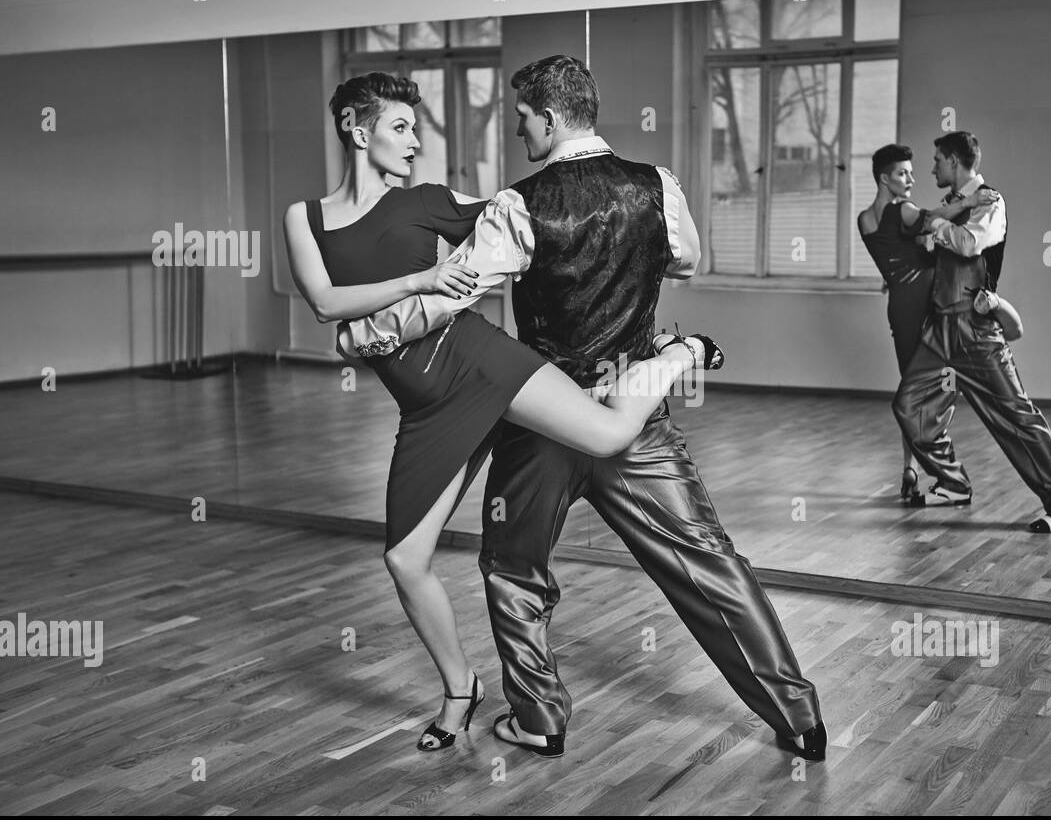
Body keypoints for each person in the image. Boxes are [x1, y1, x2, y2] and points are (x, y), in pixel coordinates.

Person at [351, 55, 827, 761]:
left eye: (521, 119)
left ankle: (539, 719)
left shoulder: (518, 205)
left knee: (514, 571)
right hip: (634, 413)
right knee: (709, 561)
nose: (518, 131)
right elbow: (688, 260)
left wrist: (369, 329)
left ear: (548, 117)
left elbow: (454, 295)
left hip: (543, 415)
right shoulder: (654, 186)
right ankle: (799, 718)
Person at [283, 72, 723, 754]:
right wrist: (420, 279)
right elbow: (323, 302)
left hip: (483, 365)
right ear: (354, 126)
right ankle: (462, 687)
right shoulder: (304, 218)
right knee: (405, 559)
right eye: (400, 126)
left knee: (607, 432)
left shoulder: (431, 201)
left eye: (414, 127)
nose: (414, 140)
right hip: (426, 406)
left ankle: (681, 353)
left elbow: (547, 208)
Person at [891, 131, 1051, 533]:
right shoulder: (953, 204)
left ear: (955, 162)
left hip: (974, 329)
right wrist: (941, 220)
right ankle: (952, 483)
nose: (932, 169)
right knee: (909, 405)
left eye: (937, 161)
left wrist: (937, 226)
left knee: (1015, 416)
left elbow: (969, 243)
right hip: (939, 328)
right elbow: (924, 235)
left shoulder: (991, 202)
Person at [858, 143, 1009, 500]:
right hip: (928, 306)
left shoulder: (865, 219)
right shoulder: (903, 210)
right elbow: (930, 218)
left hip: (899, 308)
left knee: (910, 390)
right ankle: (945, 474)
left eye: (911, 171)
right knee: (932, 391)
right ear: (885, 178)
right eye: (902, 173)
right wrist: (969, 203)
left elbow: (896, 254)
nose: (911, 178)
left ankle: (911, 467)